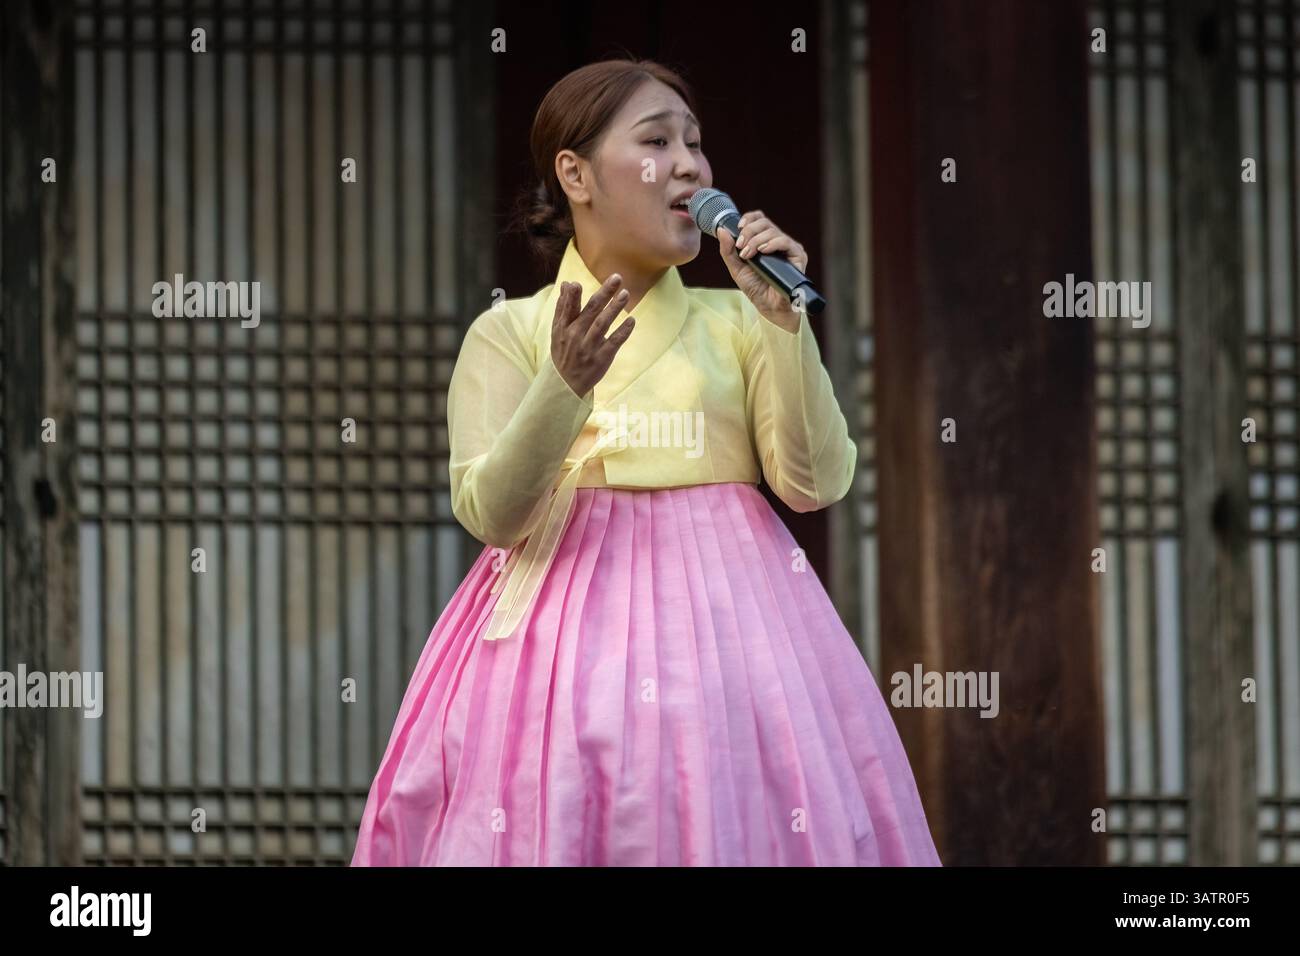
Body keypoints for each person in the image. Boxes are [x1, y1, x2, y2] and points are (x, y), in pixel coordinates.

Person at [351, 57, 941, 866]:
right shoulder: (512, 332)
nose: (693, 165)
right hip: (555, 648)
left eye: (696, 144)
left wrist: (784, 323)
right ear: (576, 174)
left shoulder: (738, 317)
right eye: (658, 140)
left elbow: (814, 484)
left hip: (737, 637)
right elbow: (492, 515)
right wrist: (563, 386)